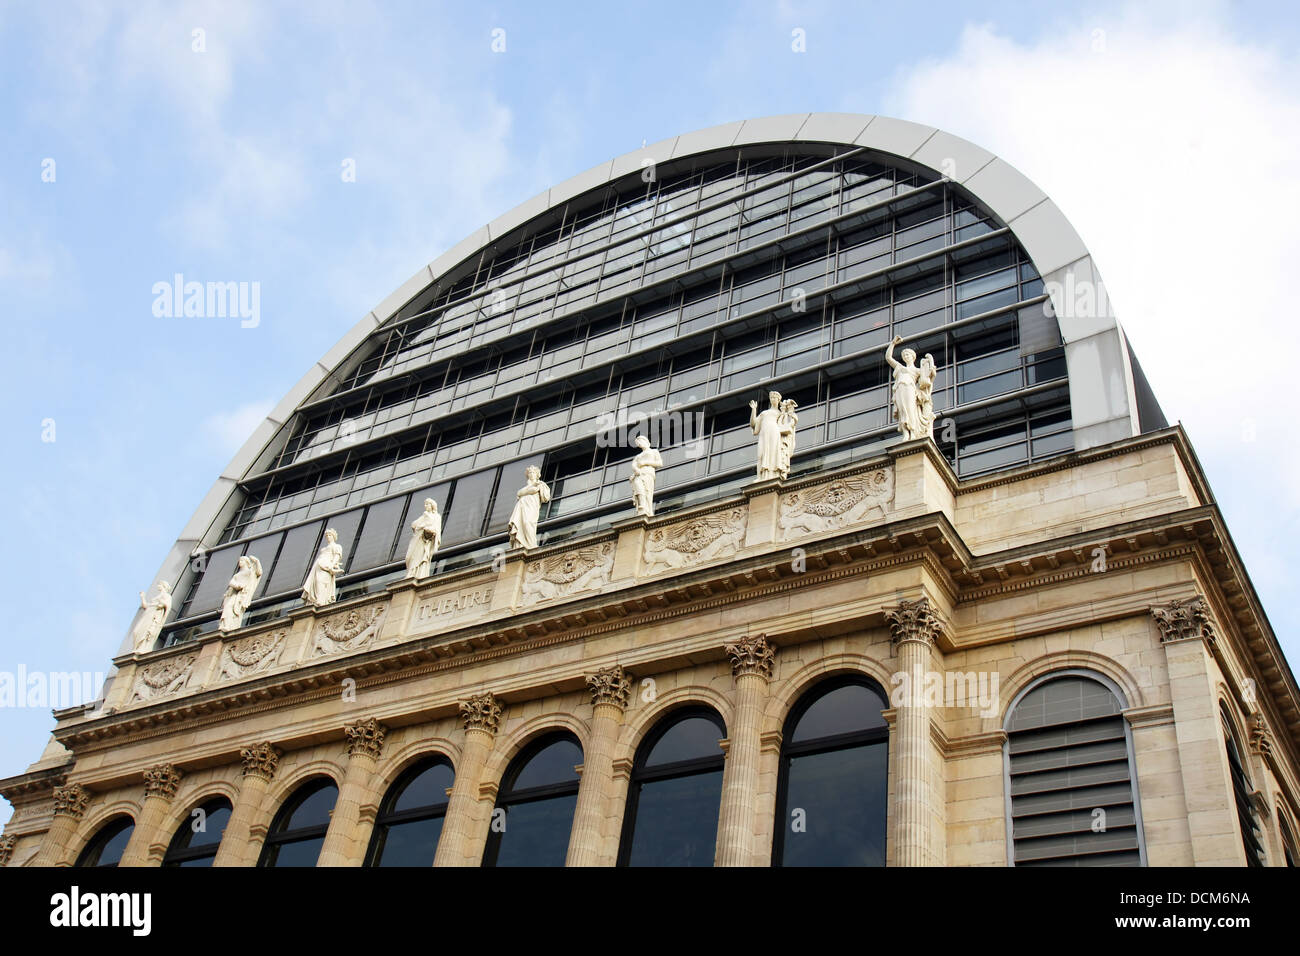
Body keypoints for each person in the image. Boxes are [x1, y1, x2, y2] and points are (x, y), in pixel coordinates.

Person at [749, 390, 790, 481]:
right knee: (761, 455)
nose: (772, 399)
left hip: (773, 432)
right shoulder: (764, 413)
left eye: (774, 398)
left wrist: (786, 413)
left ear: (778, 399)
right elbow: (753, 424)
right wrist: (754, 409)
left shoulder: (780, 413)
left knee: (772, 453)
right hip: (764, 433)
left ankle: (772, 475)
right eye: (771, 398)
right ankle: (760, 477)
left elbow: (785, 425)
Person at [508, 466, 551, 550]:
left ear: (537, 474)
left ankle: (531, 545)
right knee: (521, 524)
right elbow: (519, 492)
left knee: (528, 522)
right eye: (530, 473)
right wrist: (530, 489)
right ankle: (521, 544)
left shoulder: (541, 484)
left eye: (533, 472)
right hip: (522, 506)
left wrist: (529, 489)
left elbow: (545, 497)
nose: (531, 474)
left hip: (532, 506)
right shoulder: (529, 486)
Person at [219, 556, 263, 631]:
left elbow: (259, 572)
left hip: (241, 595)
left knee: (231, 607)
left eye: (242, 561)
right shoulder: (237, 575)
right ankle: (227, 625)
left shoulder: (249, 572)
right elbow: (231, 582)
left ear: (246, 562)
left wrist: (257, 561)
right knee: (228, 607)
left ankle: (229, 626)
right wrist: (237, 585)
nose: (240, 562)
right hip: (234, 593)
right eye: (240, 561)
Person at [302, 529, 344, 606]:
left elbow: (337, 556)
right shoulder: (323, 549)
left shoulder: (336, 546)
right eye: (327, 535)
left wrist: (331, 565)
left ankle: (321, 600)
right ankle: (317, 600)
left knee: (322, 582)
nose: (328, 536)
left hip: (327, 567)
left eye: (330, 535)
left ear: (334, 536)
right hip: (318, 567)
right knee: (317, 582)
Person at [403, 498, 442, 579]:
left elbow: (436, 530)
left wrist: (426, 527)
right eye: (425, 504)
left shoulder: (436, 516)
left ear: (432, 505)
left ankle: (416, 574)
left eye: (427, 504)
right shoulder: (424, 515)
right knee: (409, 557)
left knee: (420, 558)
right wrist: (422, 524)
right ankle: (411, 572)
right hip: (418, 539)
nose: (426, 506)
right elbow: (414, 525)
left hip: (426, 543)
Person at [131, 581, 172, 654]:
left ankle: (143, 648)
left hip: (154, 616)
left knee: (147, 632)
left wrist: (161, 603)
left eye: (159, 584)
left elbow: (166, 605)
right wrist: (143, 597)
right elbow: (145, 606)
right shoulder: (157, 597)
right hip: (147, 614)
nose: (158, 586)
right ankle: (137, 647)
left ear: (163, 586)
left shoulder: (167, 596)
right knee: (136, 631)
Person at [629, 435, 663, 517]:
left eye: (640, 442)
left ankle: (647, 509)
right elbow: (633, 465)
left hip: (648, 472)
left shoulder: (654, 451)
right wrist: (636, 469)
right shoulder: (638, 456)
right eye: (638, 444)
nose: (640, 445)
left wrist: (645, 462)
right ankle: (642, 505)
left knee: (647, 490)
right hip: (639, 473)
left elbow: (660, 463)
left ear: (646, 441)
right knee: (638, 487)